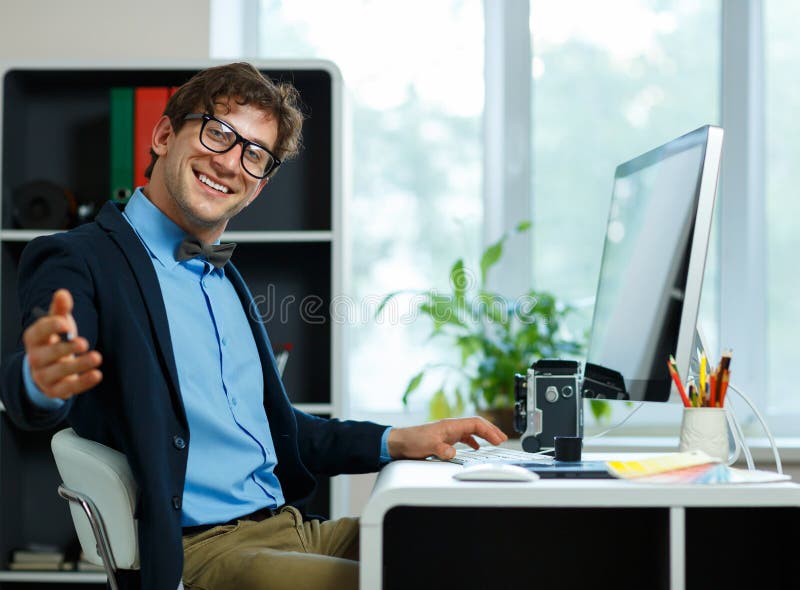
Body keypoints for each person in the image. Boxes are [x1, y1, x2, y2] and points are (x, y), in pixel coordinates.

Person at [0, 62, 507, 590]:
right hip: (201, 552)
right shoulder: (78, 258)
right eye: (218, 133)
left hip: (292, 529)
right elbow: (31, 382)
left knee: (463, 548)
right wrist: (42, 376)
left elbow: (279, 428)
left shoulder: (224, 279)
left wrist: (398, 439)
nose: (230, 163)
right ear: (164, 134)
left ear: (259, 186)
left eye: (254, 153)